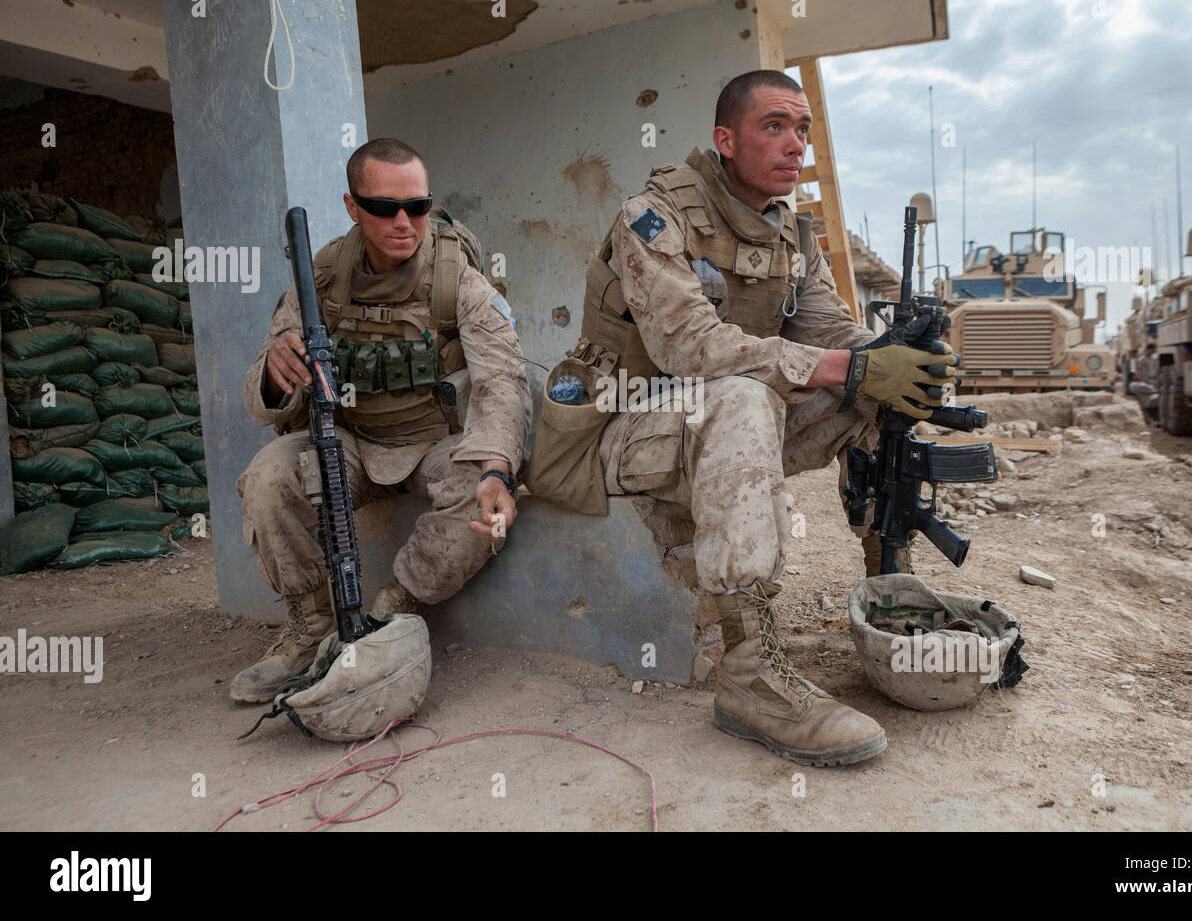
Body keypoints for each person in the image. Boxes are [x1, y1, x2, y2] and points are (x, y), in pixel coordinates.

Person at [530, 71, 957, 765]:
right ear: (725, 140)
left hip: (714, 434)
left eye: (803, 130)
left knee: (877, 389)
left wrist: (896, 359)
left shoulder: (795, 237)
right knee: (740, 392)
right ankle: (752, 674)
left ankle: (887, 577)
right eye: (775, 127)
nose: (795, 145)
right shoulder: (653, 217)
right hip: (620, 433)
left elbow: (833, 340)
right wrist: (847, 368)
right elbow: (689, 349)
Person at [230, 138, 531, 704]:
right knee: (268, 478)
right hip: (347, 439)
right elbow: (258, 397)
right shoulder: (320, 280)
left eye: (416, 207)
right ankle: (308, 628)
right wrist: (276, 369)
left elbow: (502, 379)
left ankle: (393, 610)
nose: (403, 221)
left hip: (434, 441)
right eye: (385, 207)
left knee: (482, 494)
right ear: (351, 207)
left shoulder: (456, 277)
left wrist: (497, 470)